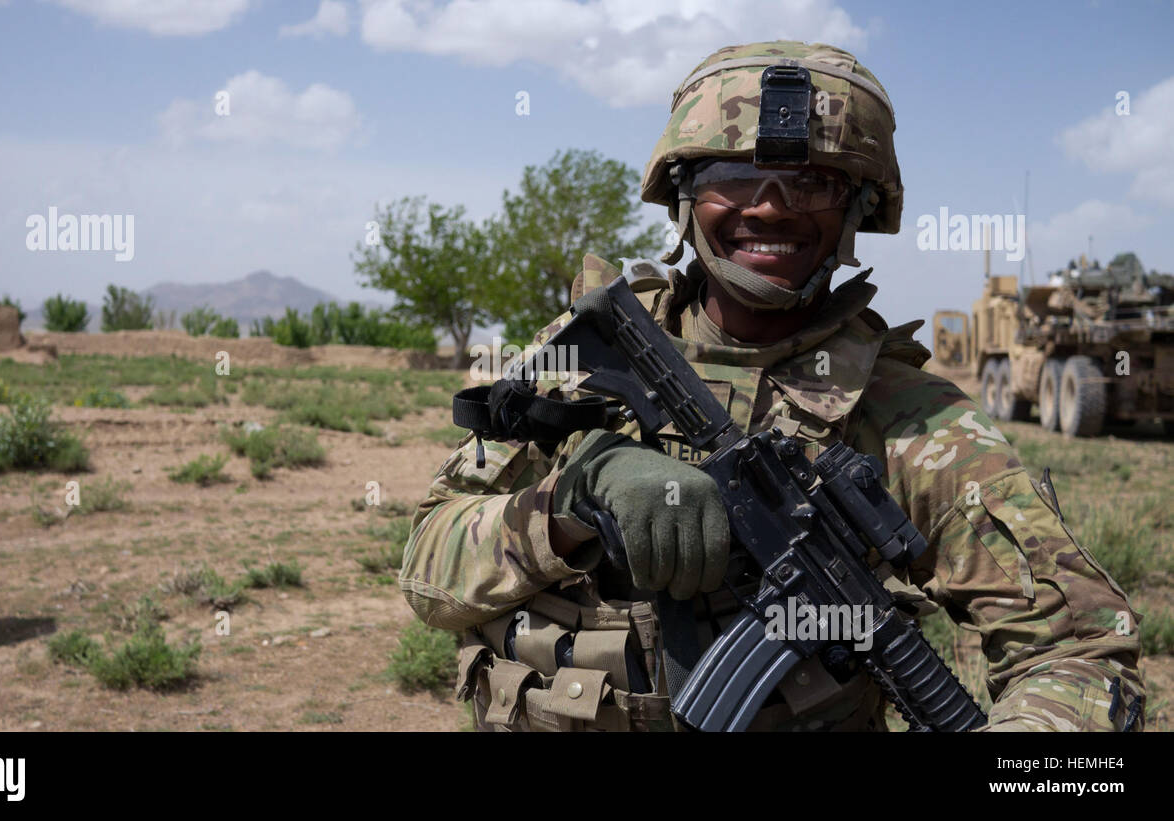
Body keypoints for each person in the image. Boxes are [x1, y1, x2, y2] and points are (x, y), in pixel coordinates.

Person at [399, 41, 1144, 732]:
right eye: (733, 177)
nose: (771, 206)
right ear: (685, 194)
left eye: (814, 184)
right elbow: (426, 571)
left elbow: (1079, 656)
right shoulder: (586, 362)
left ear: (855, 211)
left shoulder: (914, 420)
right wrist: (566, 506)